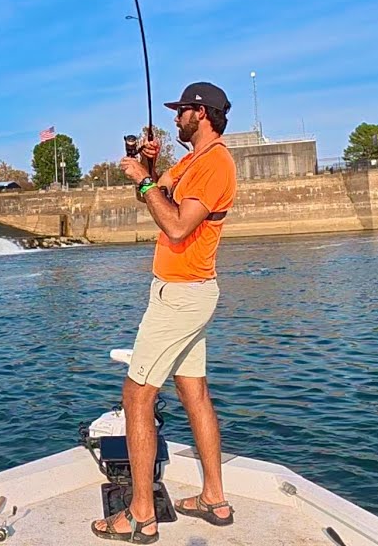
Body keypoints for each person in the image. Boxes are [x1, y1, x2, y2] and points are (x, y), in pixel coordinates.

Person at [91, 81, 238, 543]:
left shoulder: (216, 164)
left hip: (180, 295)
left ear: (203, 113)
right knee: (193, 390)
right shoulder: (193, 161)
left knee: (136, 397)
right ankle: (215, 498)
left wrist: (143, 177)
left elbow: (175, 226)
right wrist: (150, 168)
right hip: (186, 292)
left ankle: (140, 515)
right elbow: (154, 198)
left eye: (182, 112)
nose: (175, 119)